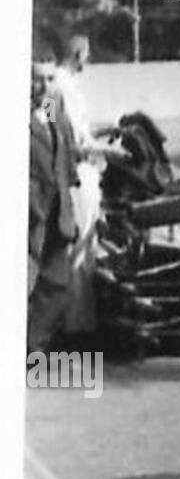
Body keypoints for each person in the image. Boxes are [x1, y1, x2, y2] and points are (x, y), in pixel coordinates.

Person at [29, 34, 80, 354]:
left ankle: (33, 348)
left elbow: (65, 151)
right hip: (30, 213)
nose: (45, 86)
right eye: (37, 79)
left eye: (50, 78)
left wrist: (70, 194)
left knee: (58, 287)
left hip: (56, 212)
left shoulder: (52, 110)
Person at [55, 32, 105, 334]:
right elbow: (72, 143)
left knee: (81, 250)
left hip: (78, 172)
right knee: (81, 251)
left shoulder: (62, 84)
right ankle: (78, 327)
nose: (88, 60)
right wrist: (108, 150)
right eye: (86, 54)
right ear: (77, 54)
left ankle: (77, 322)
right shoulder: (64, 86)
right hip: (78, 175)